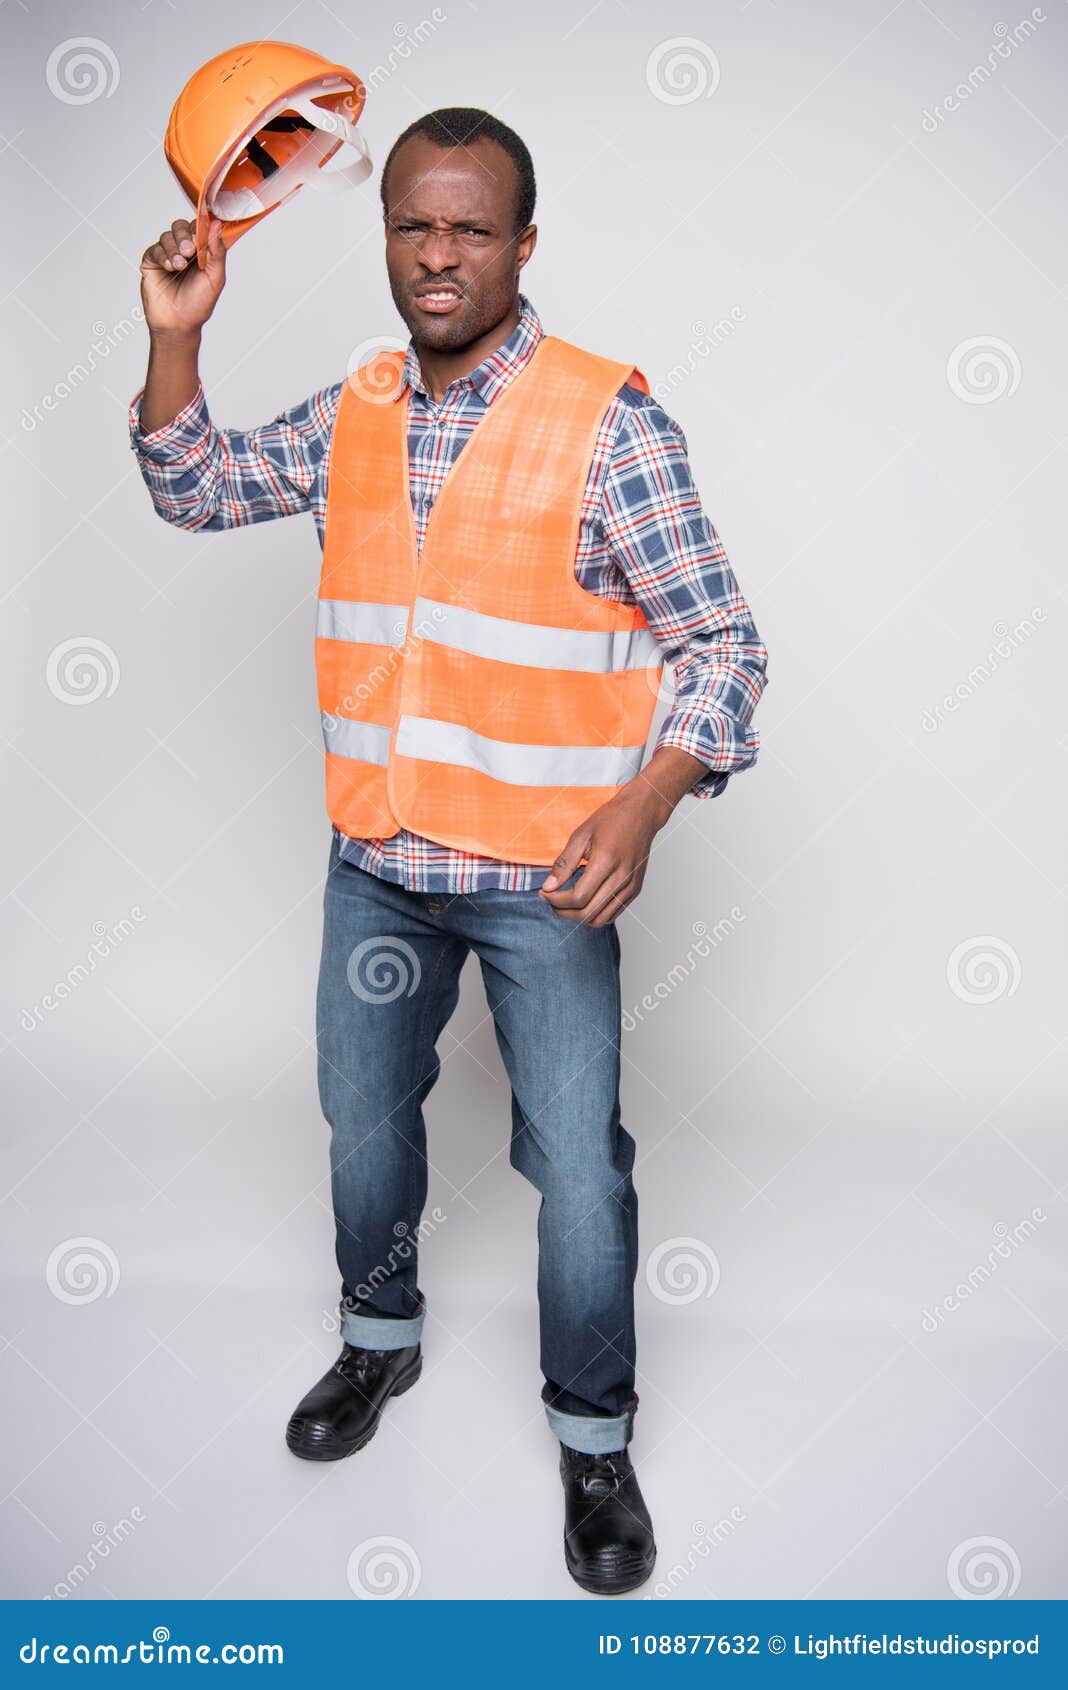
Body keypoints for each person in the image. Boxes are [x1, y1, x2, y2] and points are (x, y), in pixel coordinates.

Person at [129, 106, 769, 1596]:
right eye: (414, 223)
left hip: (544, 880)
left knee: (578, 1172)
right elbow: (194, 484)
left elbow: (723, 643)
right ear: (388, 234)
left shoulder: (608, 418)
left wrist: (650, 796)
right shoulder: (355, 403)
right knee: (362, 1125)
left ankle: (594, 1438)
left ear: (523, 246)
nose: (438, 253)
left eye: (470, 228)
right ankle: (380, 1343)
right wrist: (176, 334)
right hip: (379, 860)